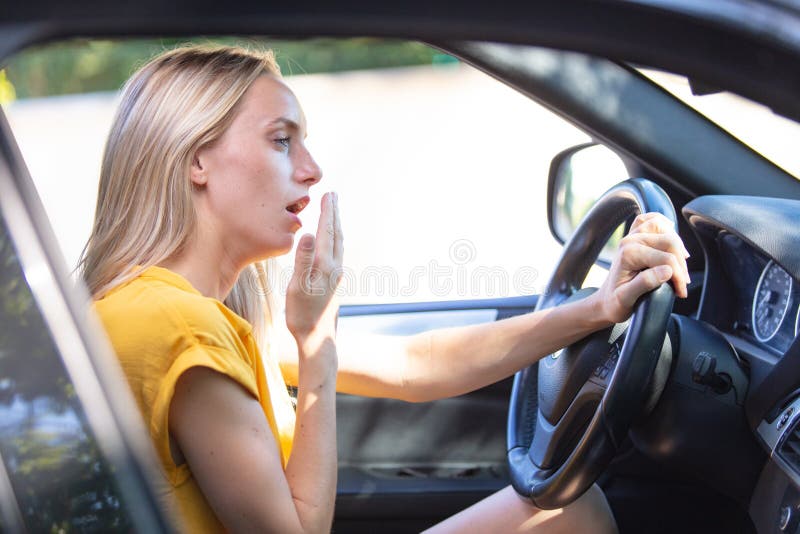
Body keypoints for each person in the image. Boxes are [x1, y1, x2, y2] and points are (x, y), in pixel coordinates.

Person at [80, 45, 690, 533]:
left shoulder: (169, 312)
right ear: (197, 160)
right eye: (281, 140)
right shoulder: (181, 327)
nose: (312, 169)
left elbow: (413, 365)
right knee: (571, 514)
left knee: (566, 510)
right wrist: (316, 346)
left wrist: (598, 308)